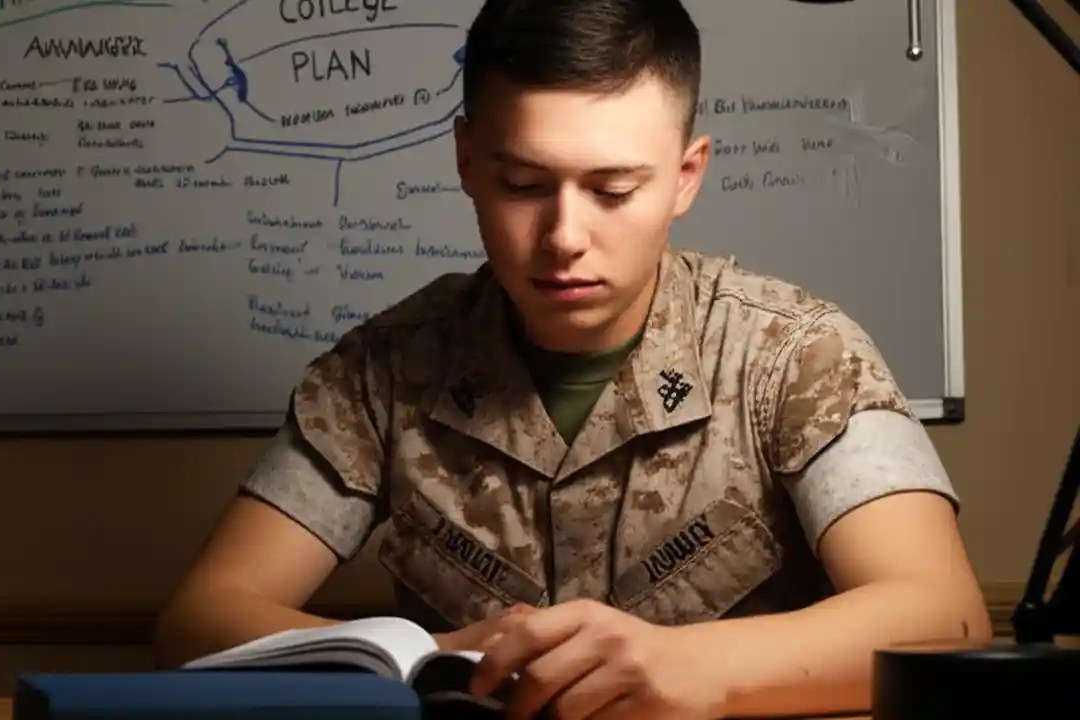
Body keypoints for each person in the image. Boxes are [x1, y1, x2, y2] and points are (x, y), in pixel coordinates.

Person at [154, 0, 992, 716]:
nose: (563, 238)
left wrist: (693, 670)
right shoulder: (382, 370)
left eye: (613, 191)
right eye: (523, 185)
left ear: (686, 176)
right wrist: (437, 655)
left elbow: (943, 613)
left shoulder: (795, 355)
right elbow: (201, 617)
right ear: (467, 163)